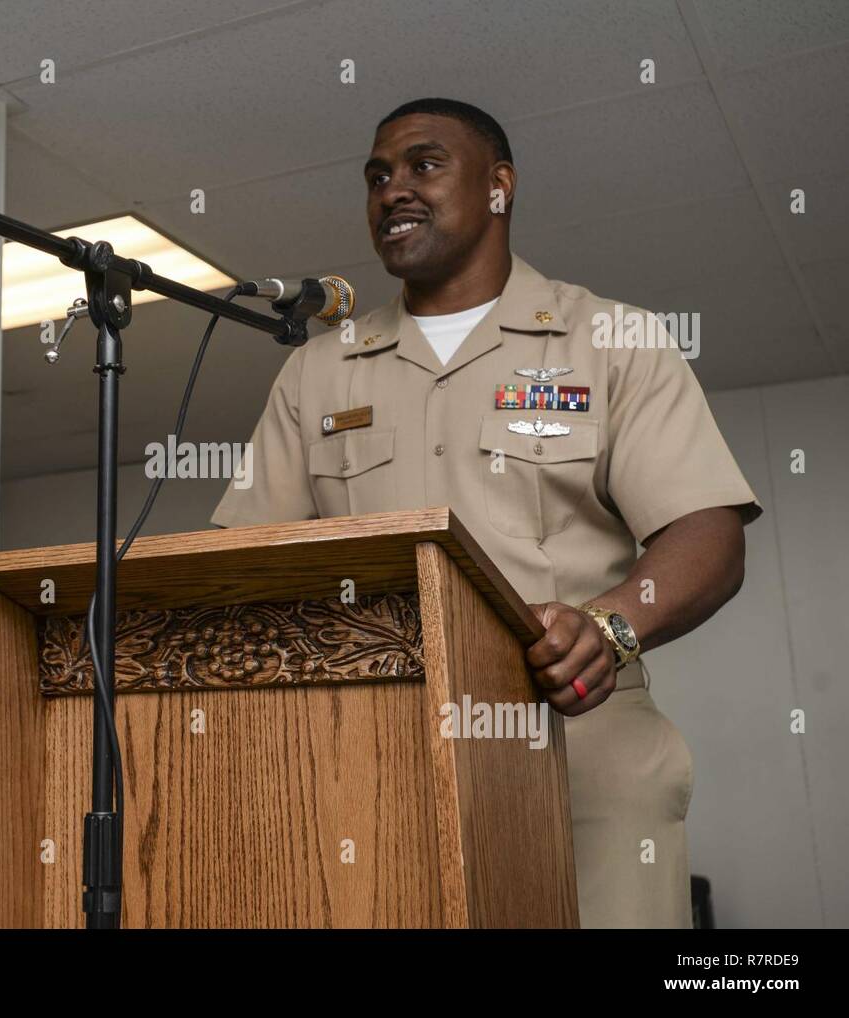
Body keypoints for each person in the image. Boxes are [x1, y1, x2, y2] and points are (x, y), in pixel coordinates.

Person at [210, 98, 760, 928]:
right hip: (372, 755)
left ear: (500, 187)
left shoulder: (614, 338)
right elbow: (245, 564)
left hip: (577, 743)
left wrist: (607, 627)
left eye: (424, 165)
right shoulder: (318, 373)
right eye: (377, 176)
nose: (393, 189)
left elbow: (707, 533)